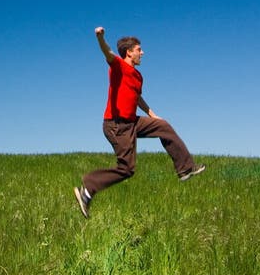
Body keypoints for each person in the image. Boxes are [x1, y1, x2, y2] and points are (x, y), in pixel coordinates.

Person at [74, 26, 205, 218]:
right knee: (127, 169)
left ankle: (185, 169)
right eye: (138, 49)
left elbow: (137, 98)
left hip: (131, 122)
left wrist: (152, 114)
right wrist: (100, 37)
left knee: (163, 126)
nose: (142, 53)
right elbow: (107, 51)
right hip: (116, 125)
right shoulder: (118, 67)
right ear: (129, 52)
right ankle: (88, 190)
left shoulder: (137, 76)